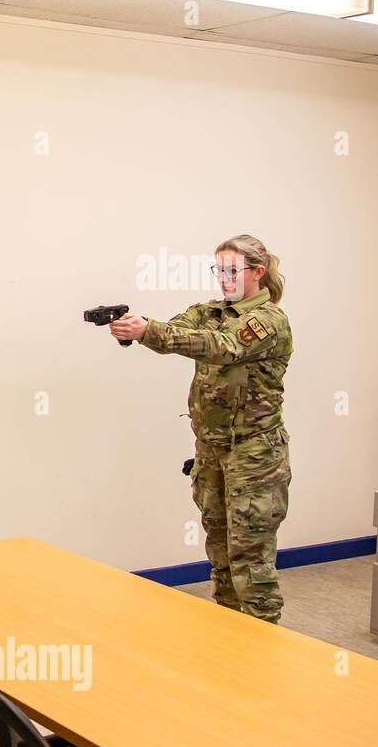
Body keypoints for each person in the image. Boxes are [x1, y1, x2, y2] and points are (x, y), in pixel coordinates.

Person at [109, 235, 292, 624]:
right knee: (221, 556)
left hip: (254, 455)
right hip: (212, 452)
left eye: (232, 271)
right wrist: (136, 328)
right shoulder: (208, 311)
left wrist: (151, 332)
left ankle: (267, 650)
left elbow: (222, 346)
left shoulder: (269, 321)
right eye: (219, 270)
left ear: (258, 272)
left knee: (251, 563)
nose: (223, 279)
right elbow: (175, 334)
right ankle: (229, 644)